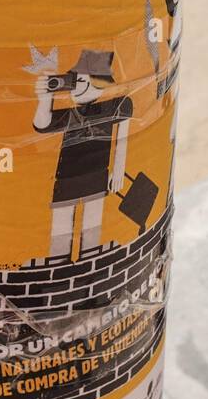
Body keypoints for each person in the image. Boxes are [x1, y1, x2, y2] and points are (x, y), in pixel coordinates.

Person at [33, 50, 133, 258]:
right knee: (61, 226)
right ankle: (58, 266)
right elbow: (42, 125)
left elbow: (123, 129)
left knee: (92, 224)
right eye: (74, 80)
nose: (76, 87)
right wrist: (44, 99)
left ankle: (90, 262)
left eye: (82, 80)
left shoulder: (112, 106)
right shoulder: (72, 114)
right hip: (67, 177)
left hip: (97, 173)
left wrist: (119, 169)